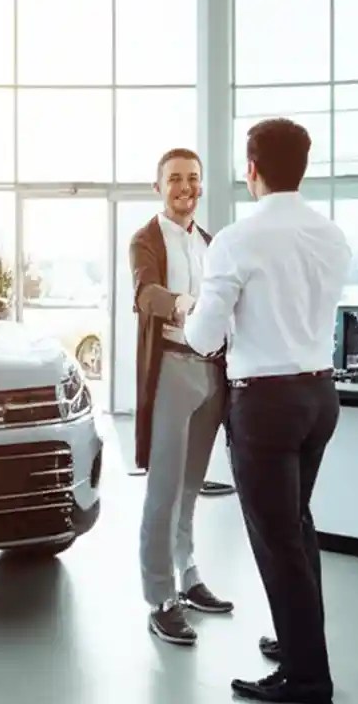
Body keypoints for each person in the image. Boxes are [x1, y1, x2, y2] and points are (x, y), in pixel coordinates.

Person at [184, 118, 350, 704]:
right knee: (297, 526)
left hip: (267, 403)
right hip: (318, 396)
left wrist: (193, 309)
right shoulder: (332, 235)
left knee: (275, 539)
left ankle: (307, 678)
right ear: (301, 167)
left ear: (251, 169)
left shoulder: (236, 238)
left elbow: (204, 337)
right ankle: (298, 638)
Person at [129, 147, 234, 647]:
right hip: (172, 369)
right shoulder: (146, 239)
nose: (185, 187)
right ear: (158, 186)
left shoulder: (211, 242)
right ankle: (159, 598)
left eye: (193, 178)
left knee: (191, 487)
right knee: (164, 490)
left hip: (211, 374)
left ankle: (187, 575)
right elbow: (145, 294)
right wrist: (183, 304)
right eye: (174, 179)